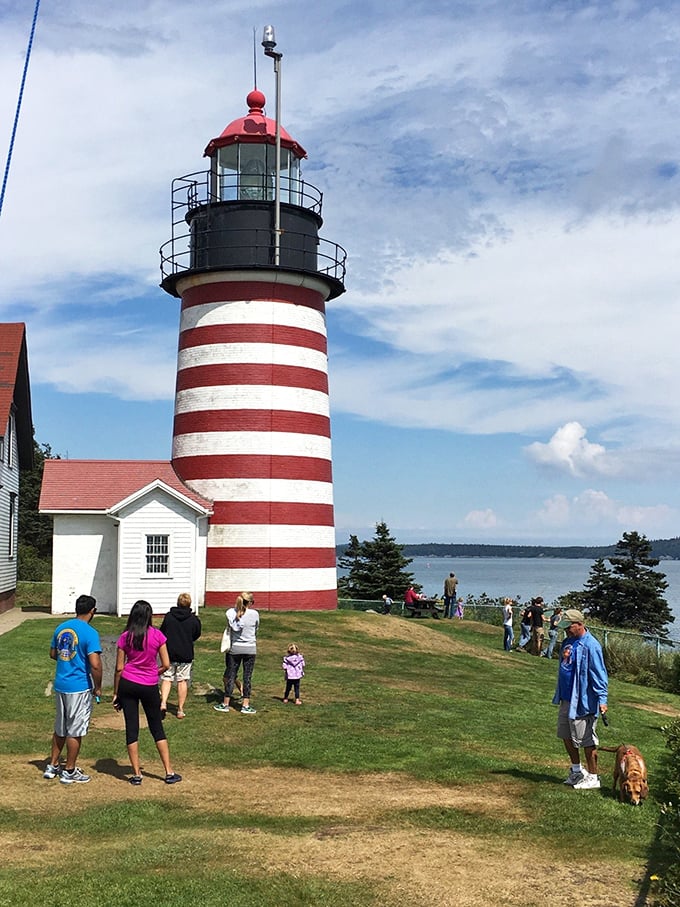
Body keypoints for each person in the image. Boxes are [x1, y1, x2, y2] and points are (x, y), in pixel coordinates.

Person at [113, 600, 182, 785]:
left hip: (128, 683)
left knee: (132, 727)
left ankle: (136, 774)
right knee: (156, 727)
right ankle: (168, 771)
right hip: (149, 684)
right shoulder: (157, 635)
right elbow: (166, 664)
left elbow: (119, 668)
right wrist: (153, 672)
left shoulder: (125, 637)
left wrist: (116, 692)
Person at [44, 594, 102, 784]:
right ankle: (69, 770)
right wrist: (98, 687)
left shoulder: (61, 628)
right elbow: (95, 664)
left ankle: (52, 765)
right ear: (92, 611)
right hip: (79, 686)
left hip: (61, 683)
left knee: (60, 727)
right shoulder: (90, 633)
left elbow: (54, 653)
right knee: (75, 729)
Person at [552, 609, 608, 791]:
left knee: (586, 740)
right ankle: (577, 771)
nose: (566, 631)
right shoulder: (568, 642)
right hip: (567, 699)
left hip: (583, 701)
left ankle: (593, 777)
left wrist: (602, 699)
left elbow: (600, 674)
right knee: (566, 736)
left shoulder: (591, 646)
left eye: (569, 627)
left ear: (579, 624)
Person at [214, 592, 259, 715]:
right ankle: (245, 704)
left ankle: (225, 703)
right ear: (249, 602)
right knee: (247, 676)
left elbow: (233, 626)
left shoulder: (230, 613)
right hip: (250, 648)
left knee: (231, 675)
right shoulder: (254, 614)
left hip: (235, 649)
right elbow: (256, 629)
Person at [159, 592, 202, 720]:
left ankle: (163, 703)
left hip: (169, 652)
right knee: (182, 680)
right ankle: (180, 709)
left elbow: (162, 632)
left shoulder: (169, 617)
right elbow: (196, 634)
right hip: (185, 653)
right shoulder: (193, 619)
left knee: (167, 678)